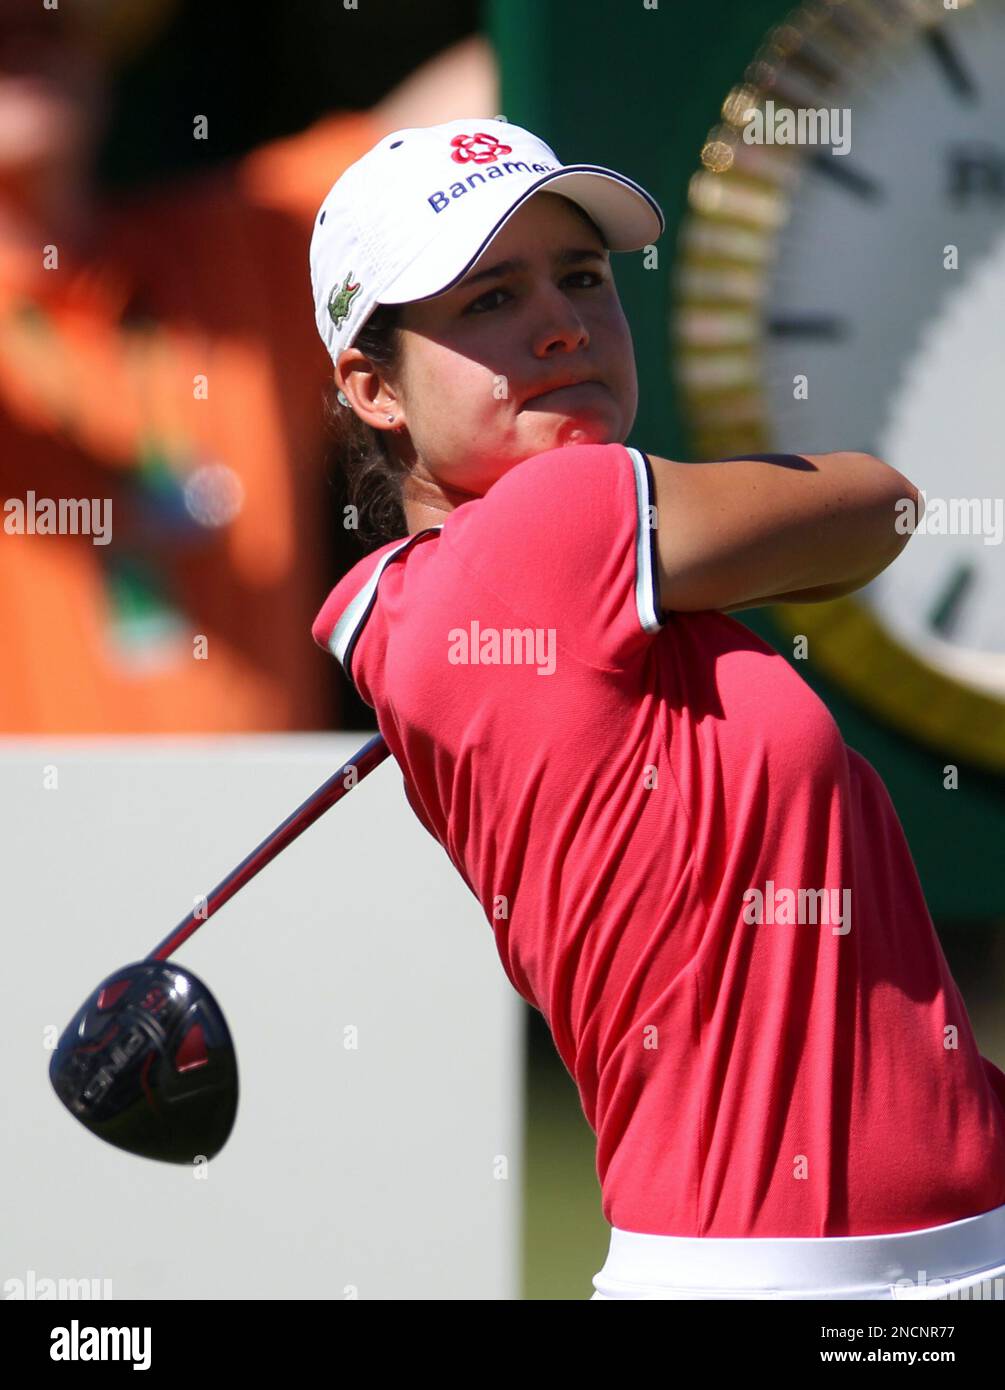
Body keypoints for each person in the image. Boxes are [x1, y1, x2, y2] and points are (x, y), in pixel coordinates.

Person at [308, 117, 1005, 1300]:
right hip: (794, 1281)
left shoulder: (395, 607)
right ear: (374, 388)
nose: (564, 322)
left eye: (582, 277)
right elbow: (877, 506)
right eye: (488, 300)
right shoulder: (561, 520)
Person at [0, 1, 496, 731]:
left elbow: (487, 114)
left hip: (266, 834)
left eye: (48, 20)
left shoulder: (239, 251)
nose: (21, 40)